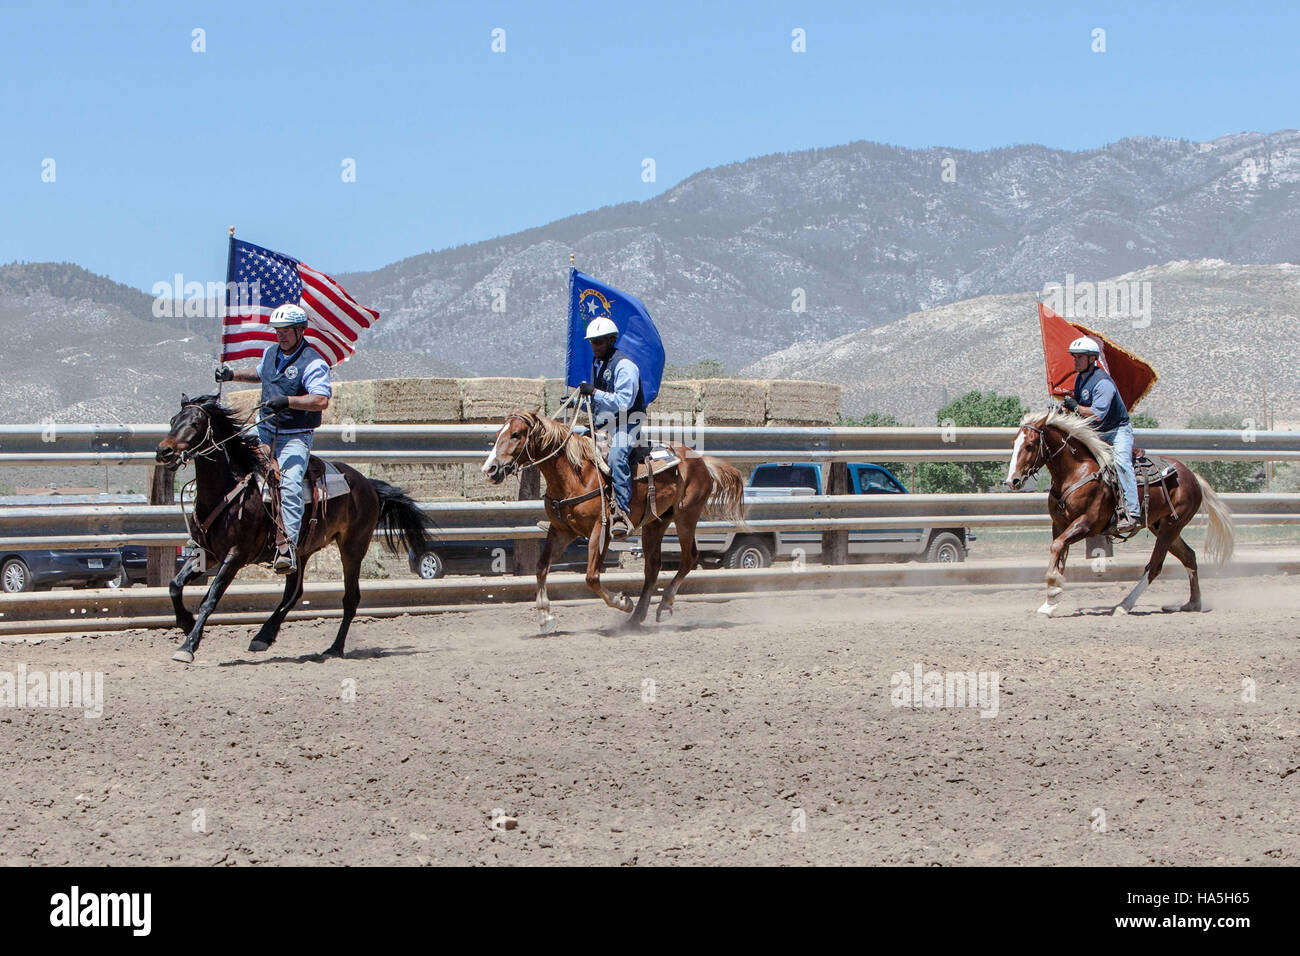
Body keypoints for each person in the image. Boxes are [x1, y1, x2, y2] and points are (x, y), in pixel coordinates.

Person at [215, 304, 331, 572]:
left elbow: (321, 399)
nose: (280, 336)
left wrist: (288, 401)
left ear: (300, 331)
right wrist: (232, 374)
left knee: (289, 484)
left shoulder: (313, 362)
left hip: (295, 437)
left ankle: (287, 547)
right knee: (230, 463)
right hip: (264, 429)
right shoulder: (271, 354)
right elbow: (259, 374)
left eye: (286, 331)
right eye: (278, 331)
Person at [577, 316, 647, 539]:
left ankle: (621, 511)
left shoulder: (625, 366)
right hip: (606, 423)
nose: (594, 346)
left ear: (610, 340)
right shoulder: (598, 364)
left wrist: (595, 393)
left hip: (628, 423)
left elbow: (624, 402)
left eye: (598, 342)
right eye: (592, 342)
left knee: (617, 455)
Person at [1062, 336, 1139, 533]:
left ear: (1091, 359)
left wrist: (1076, 407)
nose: (1075, 360)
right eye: (1075, 357)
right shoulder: (1080, 379)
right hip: (1097, 432)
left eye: (1080, 357)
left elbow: (1096, 415)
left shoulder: (1103, 383)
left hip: (1117, 431)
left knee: (1121, 463)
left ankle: (1132, 511)